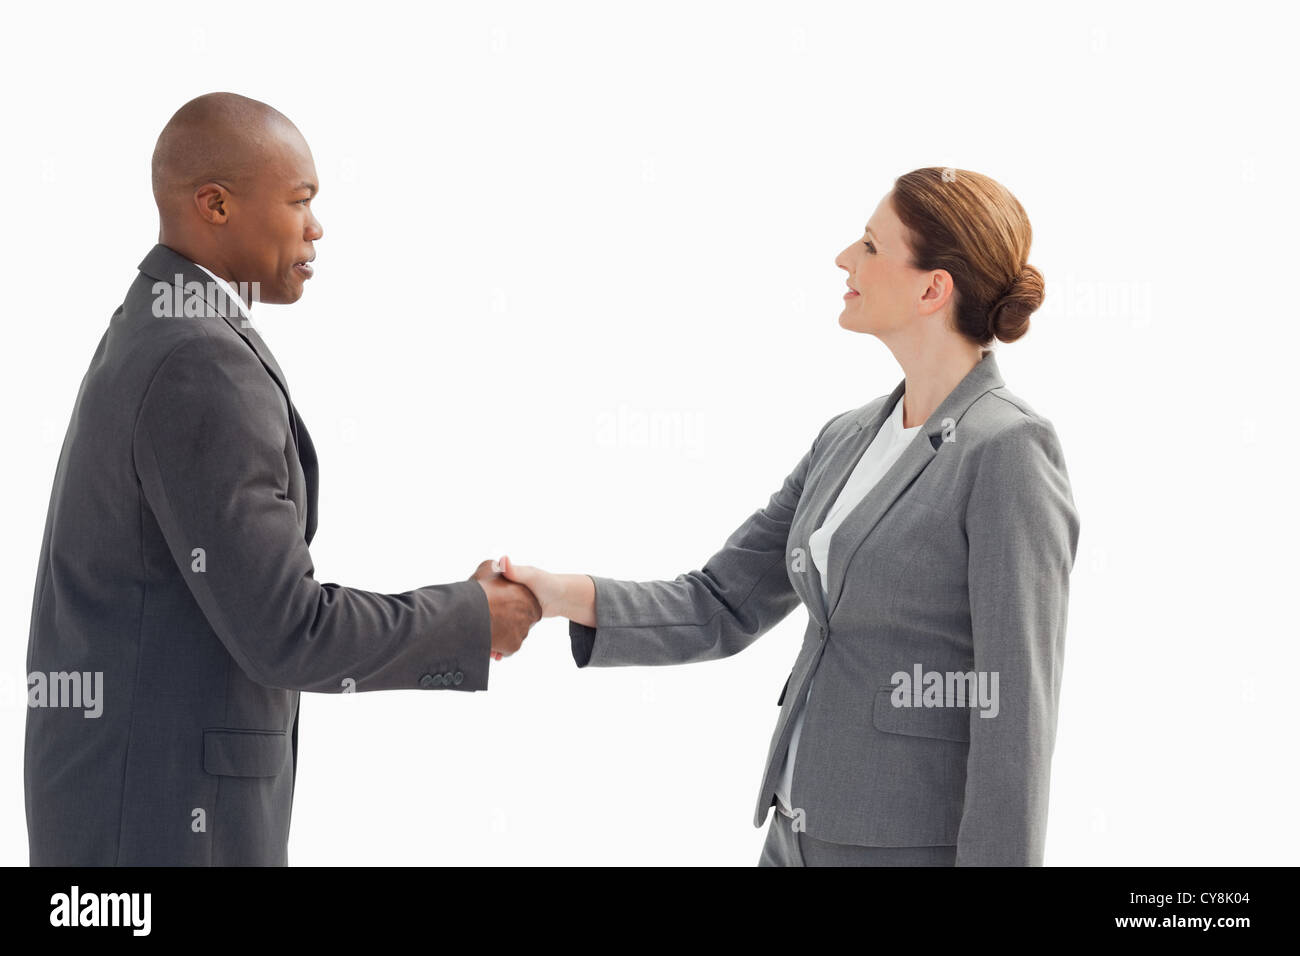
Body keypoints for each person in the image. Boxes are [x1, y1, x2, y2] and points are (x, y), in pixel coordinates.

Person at [501, 167, 1081, 866]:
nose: (845, 259)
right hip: (792, 833)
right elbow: (720, 603)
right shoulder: (845, 437)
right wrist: (560, 595)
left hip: (905, 850)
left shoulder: (1007, 448)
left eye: (870, 245)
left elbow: (1012, 712)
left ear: (933, 287)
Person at [24, 92, 540, 865]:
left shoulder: (161, 323)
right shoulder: (197, 360)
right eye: (299, 200)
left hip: (131, 801)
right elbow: (287, 630)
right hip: (160, 822)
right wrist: (470, 619)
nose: (316, 226)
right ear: (216, 204)